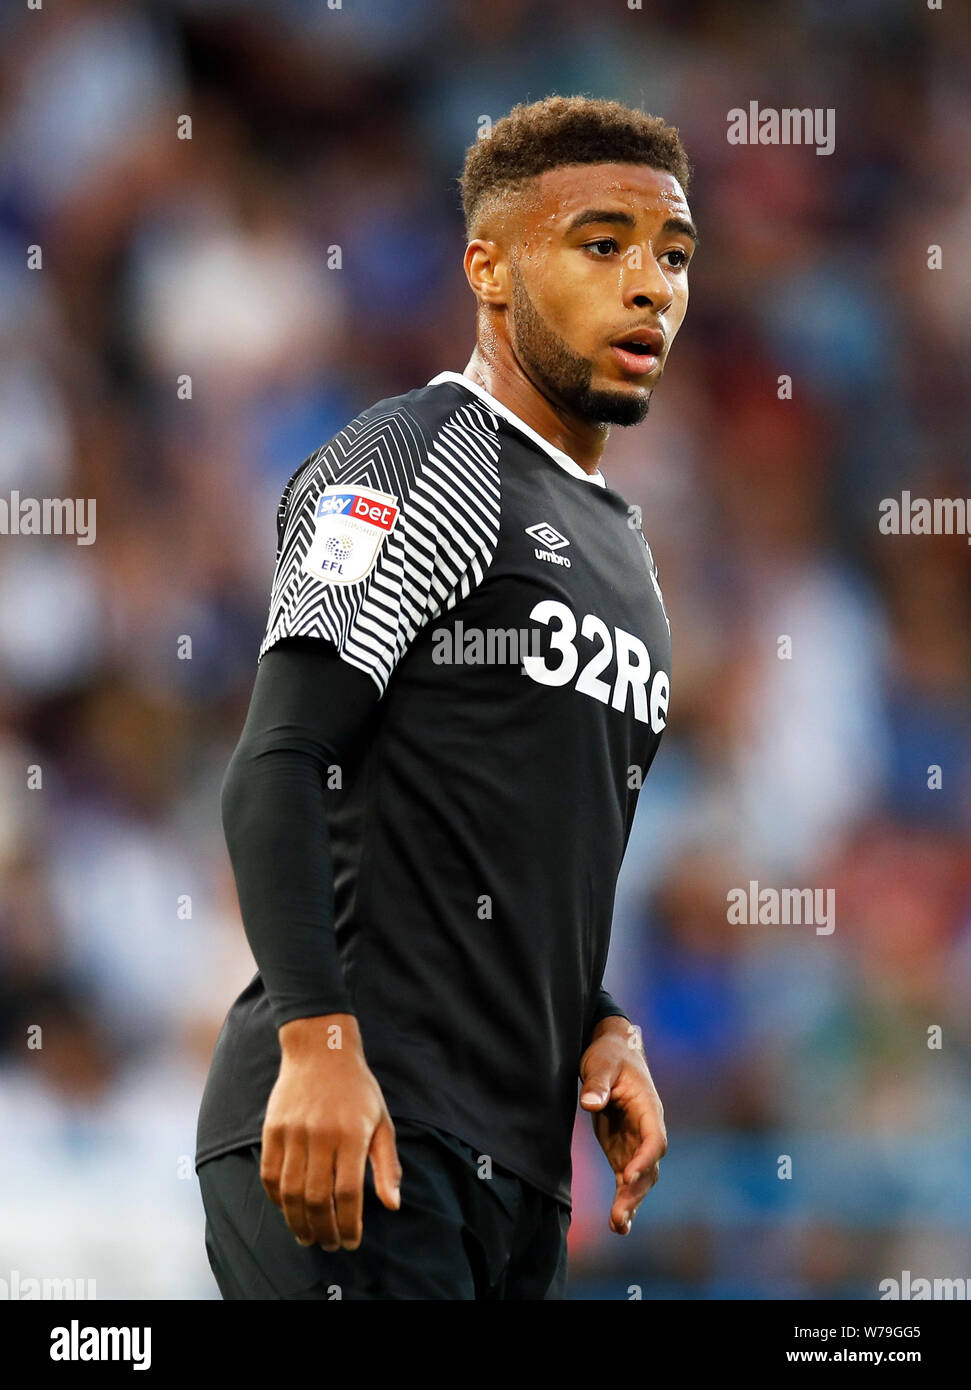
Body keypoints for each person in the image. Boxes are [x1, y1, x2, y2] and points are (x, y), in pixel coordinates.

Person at [196, 94, 697, 1300]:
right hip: (361, 1118)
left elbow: (523, 848)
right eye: (600, 244)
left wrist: (601, 1022)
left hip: (517, 1165)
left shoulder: (627, 553)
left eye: (672, 256)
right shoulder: (424, 456)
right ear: (489, 266)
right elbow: (278, 760)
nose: (649, 286)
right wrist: (317, 1044)